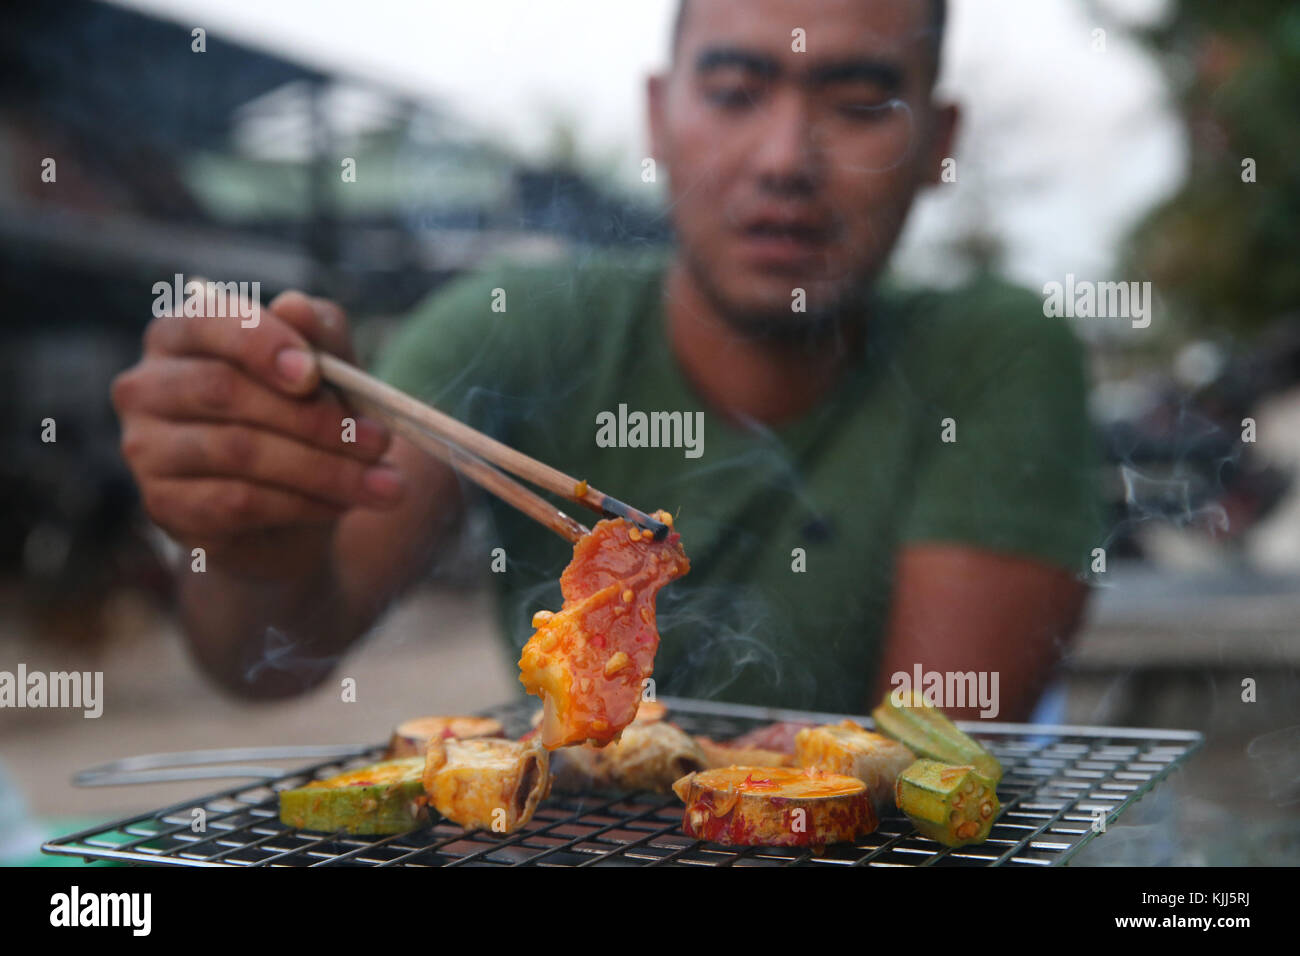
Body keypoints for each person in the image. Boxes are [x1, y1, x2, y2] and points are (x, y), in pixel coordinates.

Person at [110, 0, 1101, 720]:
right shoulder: (510, 327)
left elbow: (922, 766)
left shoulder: (994, 355)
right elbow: (267, 666)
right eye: (735, 91)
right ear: (660, 117)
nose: (784, 157)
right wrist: (251, 542)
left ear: (940, 140)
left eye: (857, 101)